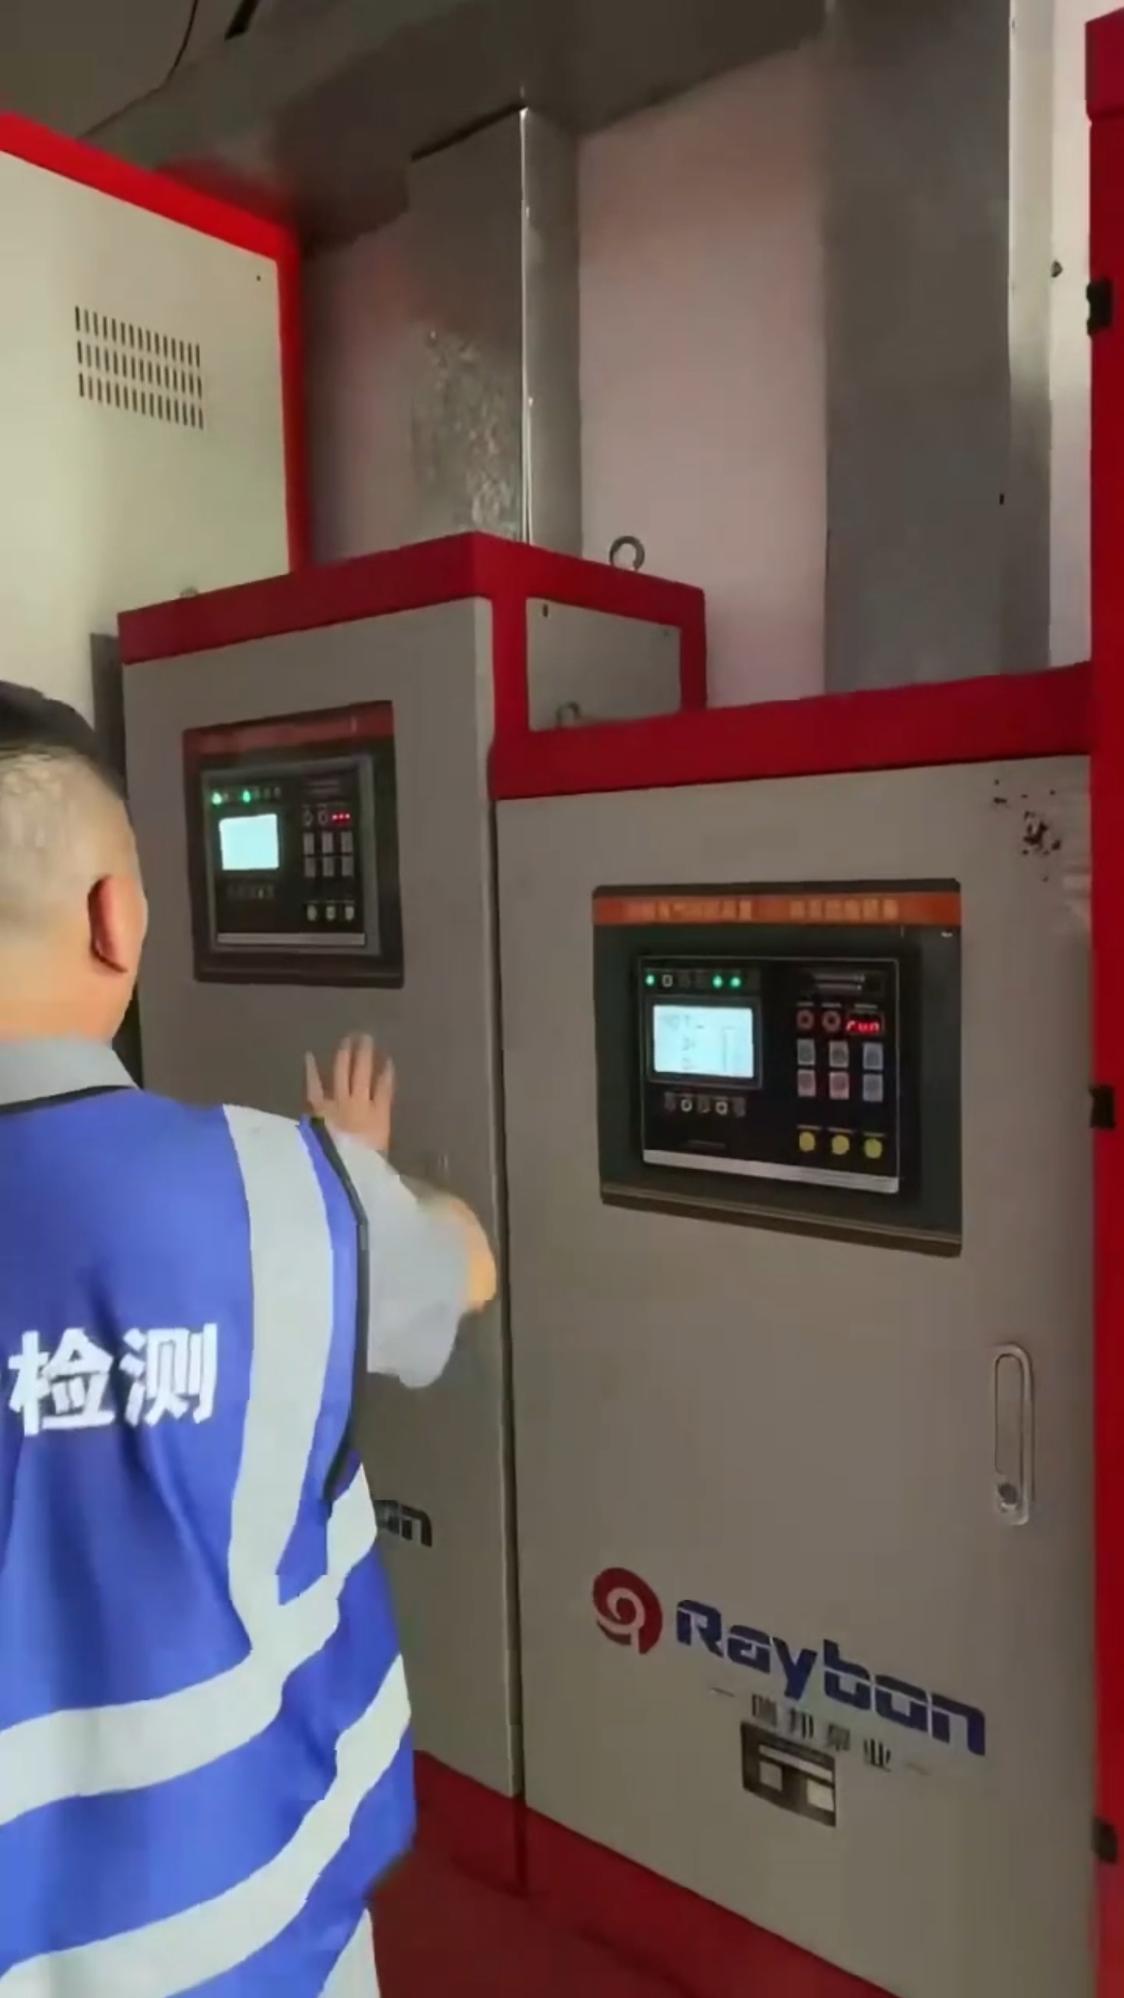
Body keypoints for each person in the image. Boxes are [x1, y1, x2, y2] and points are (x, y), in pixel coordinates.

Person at [0, 681, 496, 1994]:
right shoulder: (285, 1194)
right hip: (255, 1931)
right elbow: (468, 1266)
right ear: (116, 916)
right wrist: (354, 1176)